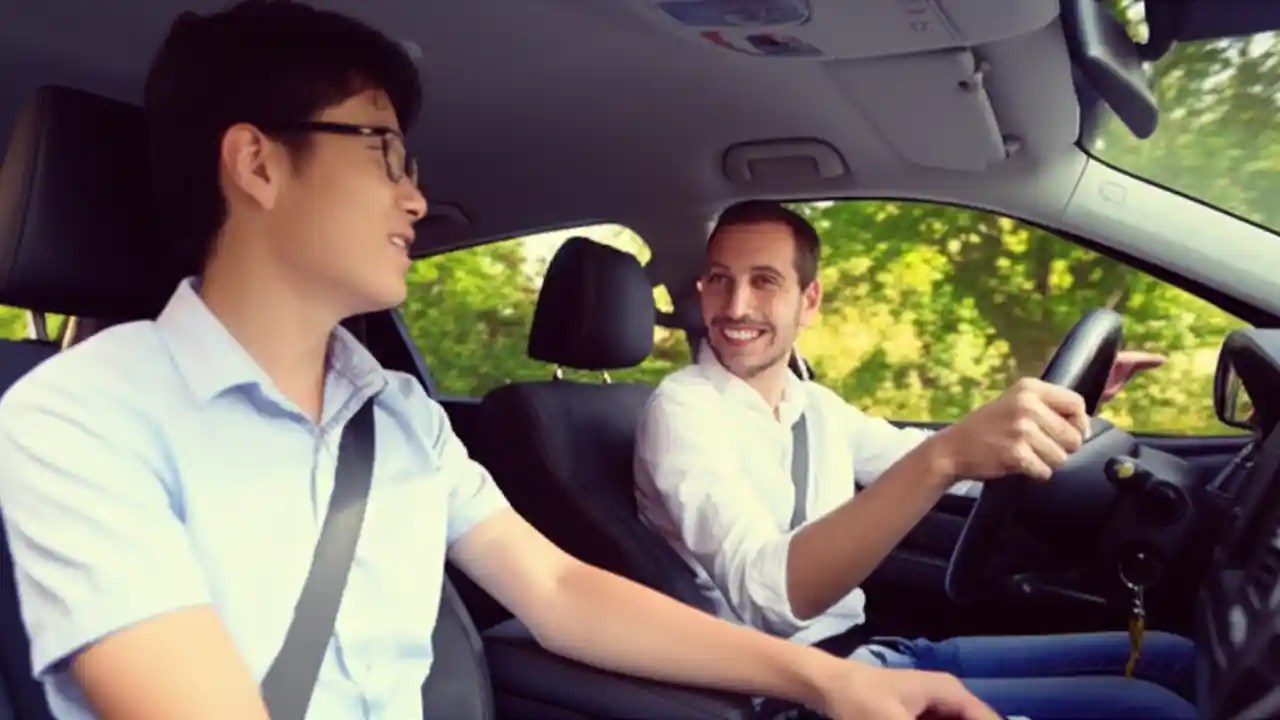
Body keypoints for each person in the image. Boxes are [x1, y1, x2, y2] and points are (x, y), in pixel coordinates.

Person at [0, 5, 998, 720]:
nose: (413, 199)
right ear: (258, 163)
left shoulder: (394, 415)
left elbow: (557, 592)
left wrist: (828, 682)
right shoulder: (79, 419)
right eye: (384, 152)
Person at [633, 200, 1198, 720]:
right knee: (1152, 711)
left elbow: (946, 467)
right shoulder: (682, 410)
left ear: (809, 301)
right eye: (720, 281)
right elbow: (772, 599)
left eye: (764, 282)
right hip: (799, 690)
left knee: (1174, 658)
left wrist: (1060, 417)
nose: (736, 306)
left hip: (873, 650)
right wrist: (946, 456)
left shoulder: (815, 406)